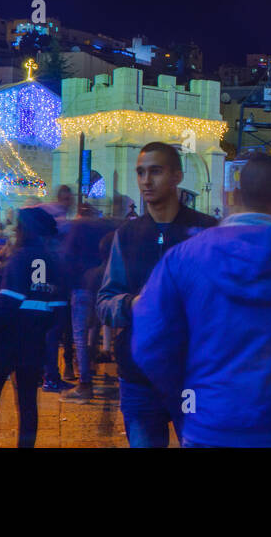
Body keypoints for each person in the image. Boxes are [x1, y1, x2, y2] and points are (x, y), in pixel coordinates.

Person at [130, 153, 271, 447]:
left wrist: (187, 388)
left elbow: (148, 340)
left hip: (211, 419)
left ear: (233, 196)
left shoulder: (186, 256)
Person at [96, 141, 217, 447]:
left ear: (177, 176)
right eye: (141, 172)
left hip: (194, 374)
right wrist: (131, 305)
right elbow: (105, 301)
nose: (146, 181)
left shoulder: (207, 232)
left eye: (155, 171)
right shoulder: (127, 235)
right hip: (139, 377)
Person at [0, 206, 68, 447]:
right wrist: (39, 329)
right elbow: (59, 308)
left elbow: (7, 304)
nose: (15, 231)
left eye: (18, 227)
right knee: (27, 405)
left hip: (1, 344)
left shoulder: (20, 258)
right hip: (33, 345)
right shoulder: (54, 262)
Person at [60, 205, 111, 401]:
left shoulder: (77, 228)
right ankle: (90, 366)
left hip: (81, 285)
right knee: (94, 331)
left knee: (79, 335)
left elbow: (67, 257)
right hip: (100, 284)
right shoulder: (101, 228)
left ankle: (85, 382)